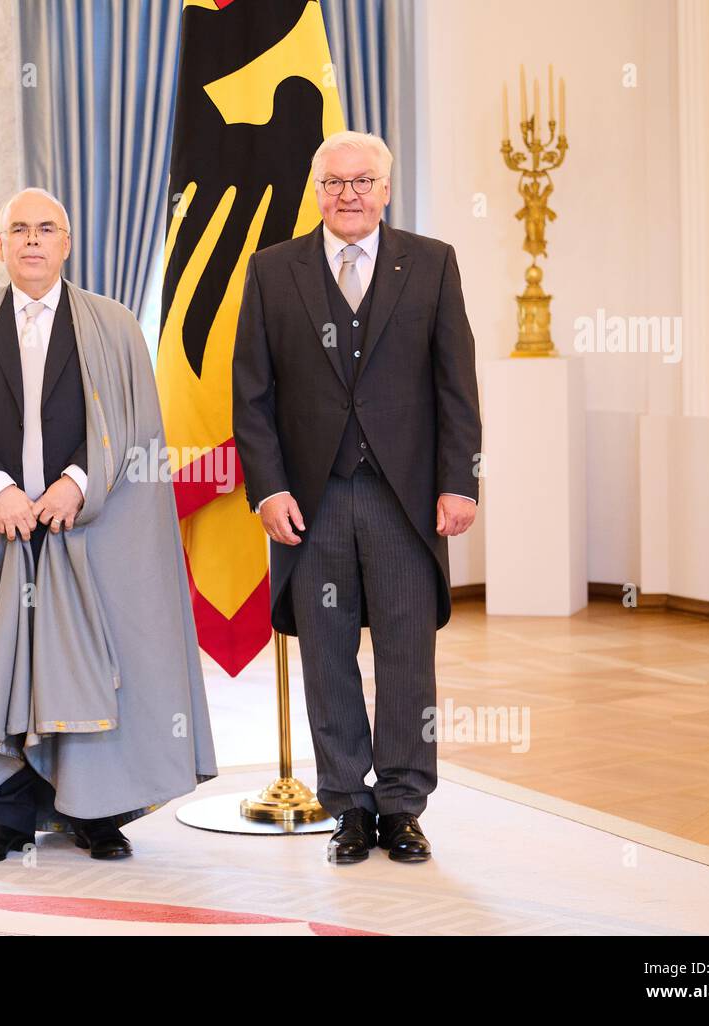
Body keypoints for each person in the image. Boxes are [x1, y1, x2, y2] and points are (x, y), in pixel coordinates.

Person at [0, 187, 217, 863]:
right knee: (0, 663)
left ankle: (93, 812)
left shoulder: (115, 325)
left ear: (67, 244)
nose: (33, 240)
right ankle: (7, 818)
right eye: (19, 229)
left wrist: (77, 483)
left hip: (89, 529)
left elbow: (134, 426)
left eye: (47, 229)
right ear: (1, 246)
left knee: (93, 663)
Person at [232, 132, 481, 864]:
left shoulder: (432, 263)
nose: (348, 193)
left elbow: (455, 384)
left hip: (405, 501)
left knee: (408, 656)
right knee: (328, 658)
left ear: (386, 189)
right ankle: (346, 806)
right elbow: (252, 396)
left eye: (363, 180)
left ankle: (403, 806)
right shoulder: (273, 271)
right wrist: (268, 488)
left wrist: (459, 481)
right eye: (334, 182)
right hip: (312, 504)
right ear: (315, 190)